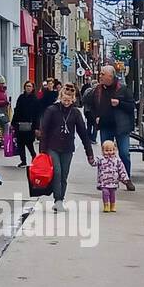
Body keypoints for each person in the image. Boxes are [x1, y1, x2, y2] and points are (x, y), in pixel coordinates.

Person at [38, 82, 95, 210]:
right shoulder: (51, 110)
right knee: (57, 172)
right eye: (64, 99)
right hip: (52, 146)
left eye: (69, 100)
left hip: (68, 147)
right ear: (60, 97)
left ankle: (61, 199)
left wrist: (89, 153)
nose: (66, 102)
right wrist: (42, 151)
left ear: (73, 99)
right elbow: (44, 131)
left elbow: (83, 133)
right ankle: (57, 200)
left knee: (64, 175)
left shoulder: (75, 113)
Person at [91, 64, 136, 189]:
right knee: (106, 155)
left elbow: (132, 107)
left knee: (124, 153)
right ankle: (106, 179)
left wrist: (120, 103)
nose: (100, 76)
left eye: (102, 74)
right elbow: (90, 105)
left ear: (110, 76)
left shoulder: (123, 89)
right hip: (105, 126)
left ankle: (126, 179)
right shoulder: (98, 90)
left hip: (121, 127)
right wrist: (95, 117)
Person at [96, 138, 130, 213]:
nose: (109, 152)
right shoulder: (101, 159)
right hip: (104, 181)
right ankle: (106, 205)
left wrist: (125, 178)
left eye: (111, 150)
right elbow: (94, 163)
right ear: (102, 151)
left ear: (114, 150)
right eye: (106, 150)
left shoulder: (117, 160)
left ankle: (112, 205)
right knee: (105, 192)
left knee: (112, 194)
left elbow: (122, 169)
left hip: (113, 181)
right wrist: (91, 159)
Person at [12, 79, 40, 168]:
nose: (28, 88)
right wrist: (13, 122)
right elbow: (17, 110)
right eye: (27, 86)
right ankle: (23, 161)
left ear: (33, 88)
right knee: (20, 143)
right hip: (19, 123)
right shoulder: (21, 97)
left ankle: (34, 156)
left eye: (30, 86)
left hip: (30, 124)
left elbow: (37, 114)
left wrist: (36, 126)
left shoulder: (35, 99)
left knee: (29, 143)